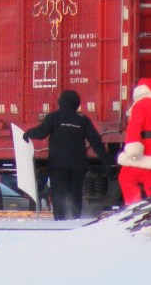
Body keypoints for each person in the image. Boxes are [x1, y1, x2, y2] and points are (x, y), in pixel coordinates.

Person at [23, 89, 109, 221]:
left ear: (60, 102)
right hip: (78, 165)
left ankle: (60, 219)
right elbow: (95, 141)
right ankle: (75, 218)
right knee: (76, 193)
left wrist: (28, 133)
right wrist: (106, 159)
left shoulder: (54, 117)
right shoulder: (83, 120)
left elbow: (41, 133)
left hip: (58, 165)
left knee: (58, 193)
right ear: (77, 103)